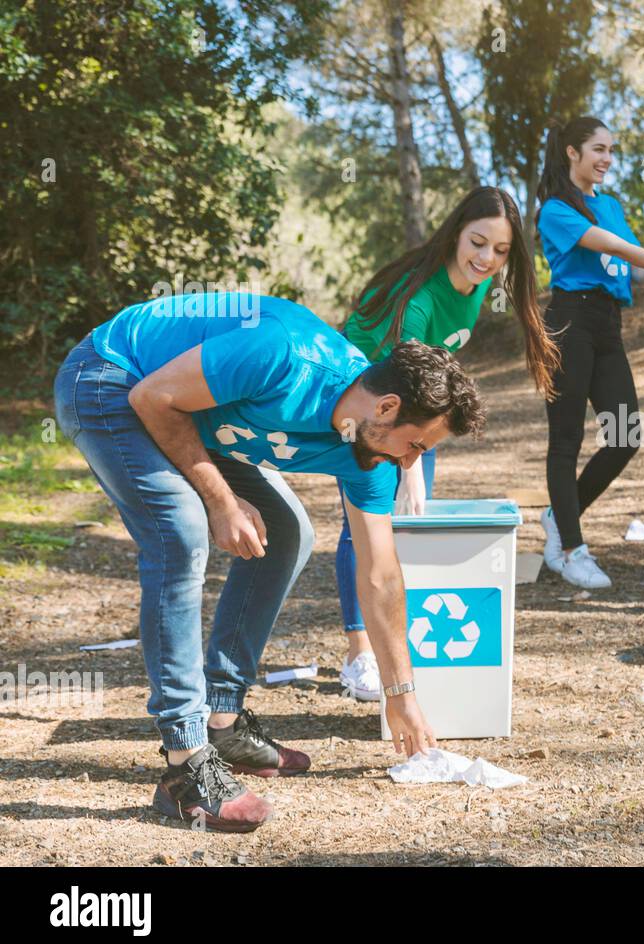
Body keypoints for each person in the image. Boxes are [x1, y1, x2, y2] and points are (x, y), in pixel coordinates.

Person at [53, 291, 483, 832]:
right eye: (417, 445)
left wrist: (401, 695)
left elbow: (380, 574)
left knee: (288, 534)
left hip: (188, 415)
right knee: (182, 536)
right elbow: (155, 397)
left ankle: (221, 718)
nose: (413, 461)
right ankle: (185, 762)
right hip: (112, 379)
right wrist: (221, 500)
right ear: (387, 407)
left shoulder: (371, 454)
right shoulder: (284, 354)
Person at [335, 186, 559, 701]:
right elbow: (391, 379)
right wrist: (406, 460)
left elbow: (431, 368)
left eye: (500, 251)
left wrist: (418, 453)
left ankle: (400, 640)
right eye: (478, 243)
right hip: (364, 403)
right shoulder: (419, 298)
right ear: (456, 231)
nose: (487, 259)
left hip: (414, 406)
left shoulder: (476, 284)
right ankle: (359, 654)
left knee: (409, 520)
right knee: (365, 521)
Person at [534, 115, 644, 589]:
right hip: (569, 321)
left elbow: (623, 264)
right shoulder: (554, 208)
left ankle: (558, 516)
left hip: (608, 324)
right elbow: (607, 245)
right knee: (566, 439)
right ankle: (572, 549)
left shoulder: (609, 204)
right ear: (572, 152)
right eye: (598, 149)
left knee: (625, 433)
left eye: (611, 150)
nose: (608, 159)